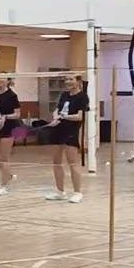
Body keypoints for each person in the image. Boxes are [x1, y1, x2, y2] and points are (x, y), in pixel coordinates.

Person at [44, 75, 88, 204]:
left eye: (71, 79)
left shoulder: (82, 97)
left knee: (72, 163)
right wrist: (55, 116)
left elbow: (79, 116)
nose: (68, 82)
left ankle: (77, 192)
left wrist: (64, 117)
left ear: (78, 81)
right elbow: (57, 110)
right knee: (56, 162)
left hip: (71, 131)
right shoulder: (64, 95)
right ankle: (60, 192)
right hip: (58, 130)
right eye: (66, 80)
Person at [0, 77, 21, 196]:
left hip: (8, 127)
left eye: (3, 79)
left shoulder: (12, 95)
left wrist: (5, 117)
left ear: (8, 81)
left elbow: (17, 114)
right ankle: (9, 175)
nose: (0, 80)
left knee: (4, 158)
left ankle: (4, 186)